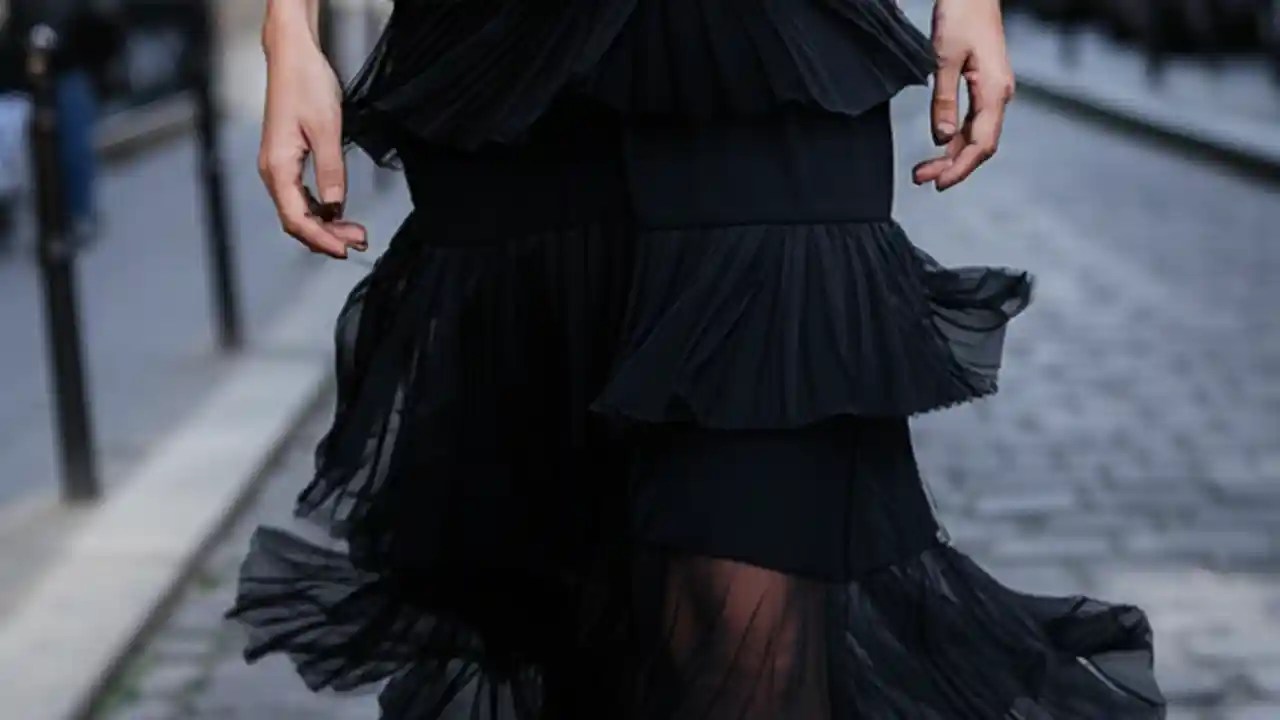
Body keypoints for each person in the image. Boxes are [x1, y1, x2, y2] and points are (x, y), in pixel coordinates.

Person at [229, 0, 1168, 717]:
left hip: (769, 69)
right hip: (511, 88)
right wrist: (289, 30)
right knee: (575, 607)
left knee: (748, 606)